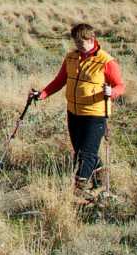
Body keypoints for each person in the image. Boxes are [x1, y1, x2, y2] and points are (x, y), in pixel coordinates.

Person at [30, 23, 125, 199]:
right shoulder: (71, 58)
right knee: (81, 151)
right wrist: (42, 94)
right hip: (73, 112)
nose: (79, 46)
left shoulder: (106, 61)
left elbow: (120, 86)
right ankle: (100, 182)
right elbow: (60, 80)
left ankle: (80, 187)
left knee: (86, 153)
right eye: (76, 43)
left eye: (82, 43)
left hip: (95, 113)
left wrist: (112, 93)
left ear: (92, 39)